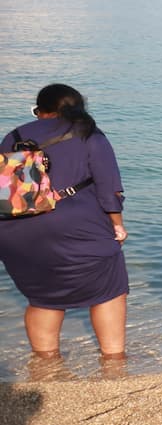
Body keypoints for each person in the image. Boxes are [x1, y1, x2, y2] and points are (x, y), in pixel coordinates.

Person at [0, 84, 128, 363]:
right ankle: (113, 361)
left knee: (43, 297)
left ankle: (46, 364)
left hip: (16, 231)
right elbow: (110, 191)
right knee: (108, 291)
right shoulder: (89, 135)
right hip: (76, 226)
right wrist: (117, 225)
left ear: (41, 111)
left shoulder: (15, 135)